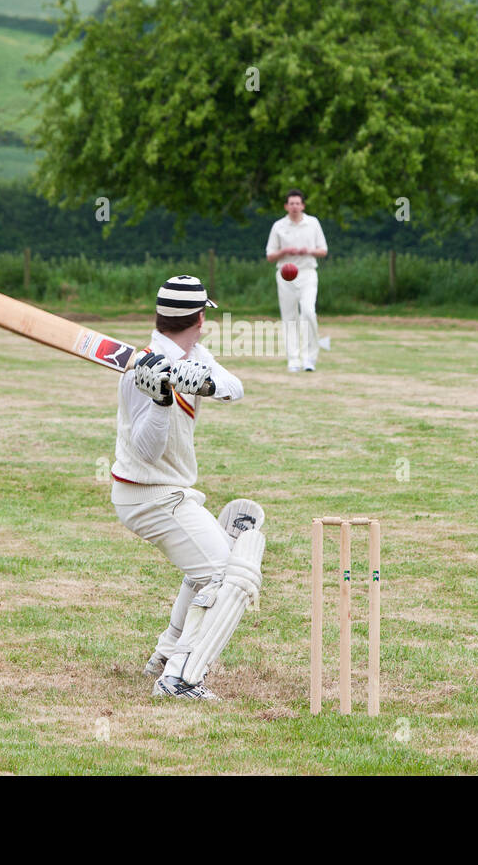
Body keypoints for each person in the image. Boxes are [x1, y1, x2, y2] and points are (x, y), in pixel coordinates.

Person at [112, 275, 266, 700]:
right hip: (148, 494)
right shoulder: (138, 373)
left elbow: (236, 388)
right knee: (226, 578)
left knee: (213, 569)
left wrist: (204, 382)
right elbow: (146, 451)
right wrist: (162, 401)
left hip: (169, 492)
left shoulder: (193, 355)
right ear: (199, 317)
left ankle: (165, 658)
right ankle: (180, 677)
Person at [265, 189, 327, 372]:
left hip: (307, 273)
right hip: (285, 275)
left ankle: (309, 358)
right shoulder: (278, 226)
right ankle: (294, 359)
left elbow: (323, 250)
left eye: (297, 203)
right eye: (291, 203)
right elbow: (270, 255)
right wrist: (285, 252)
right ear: (286, 206)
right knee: (289, 318)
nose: (294, 206)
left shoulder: (312, 223)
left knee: (308, 312)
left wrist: (307, 251)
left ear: (303, 205)